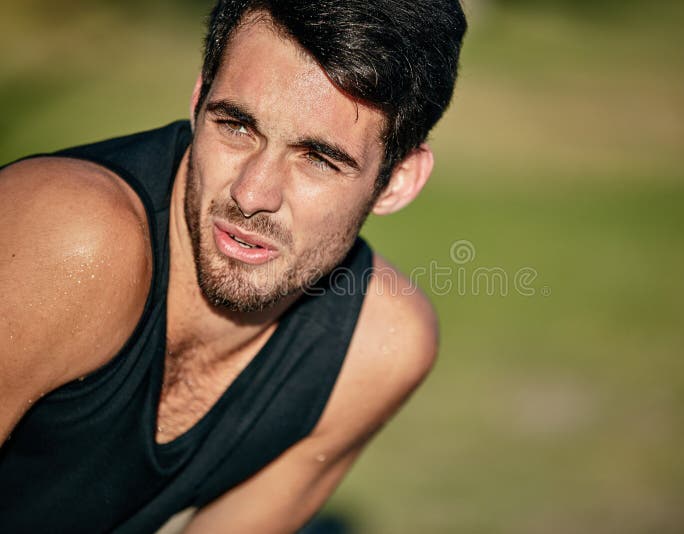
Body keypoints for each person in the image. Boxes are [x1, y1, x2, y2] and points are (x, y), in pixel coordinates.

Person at [0, 1, 466, 532]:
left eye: (318, 158)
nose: (252, 194)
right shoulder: (67, 237)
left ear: (398, 179)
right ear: (198, 99)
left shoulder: (376, 349)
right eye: (238, 126)